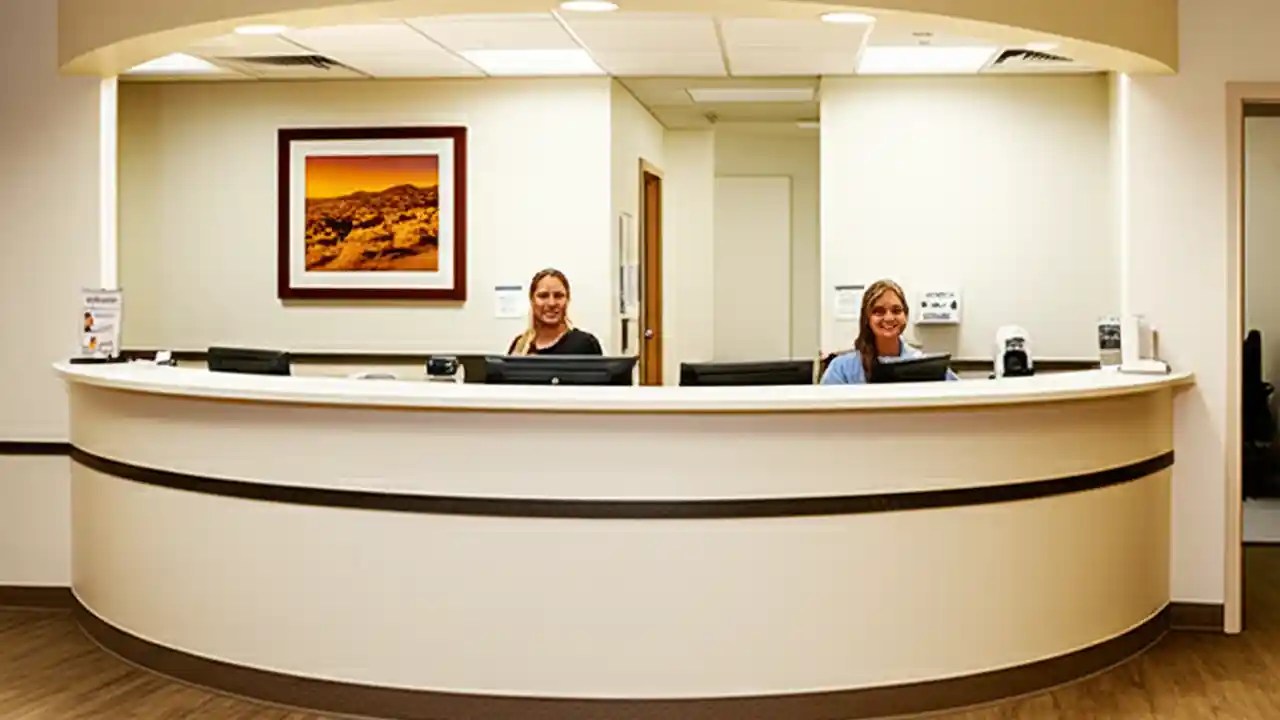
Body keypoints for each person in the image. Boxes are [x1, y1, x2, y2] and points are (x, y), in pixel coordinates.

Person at [820, 278, 958, 384]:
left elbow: (960, 398)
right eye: (878, 311)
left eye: (896, 310)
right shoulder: (842, 369)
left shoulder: (925, 365)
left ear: (906, 315)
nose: (889, 317)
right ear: (866, 318)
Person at [507, 268, 603, 356]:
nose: (551, 303)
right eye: (543, 296)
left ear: (567, 300)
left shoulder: (585, 344)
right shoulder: (519, 345)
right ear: (532, 300)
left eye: (558, 296)